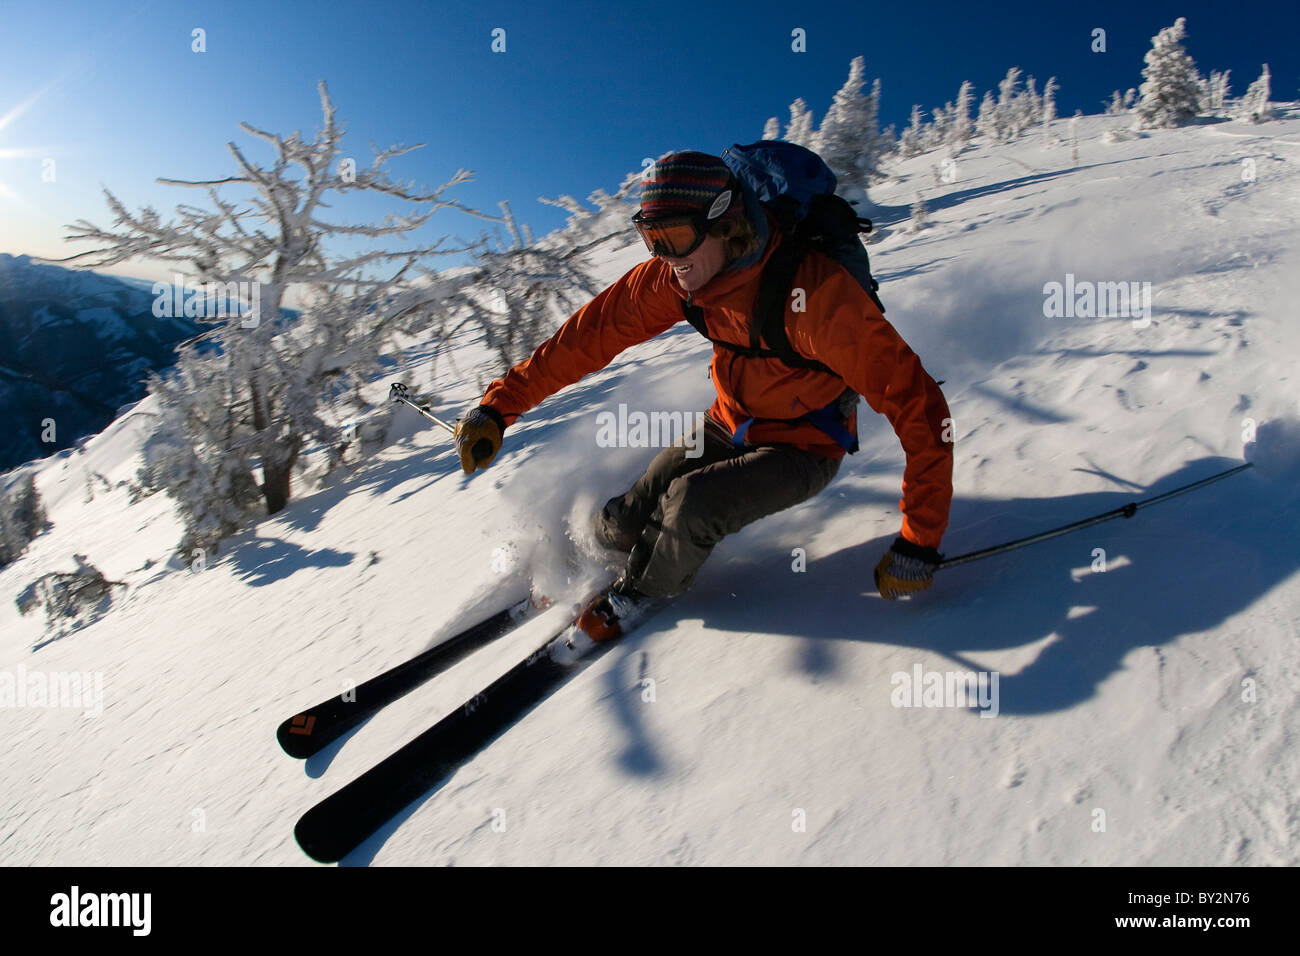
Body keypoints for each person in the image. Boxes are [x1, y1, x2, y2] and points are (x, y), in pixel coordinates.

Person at [454, 150, 953, 646]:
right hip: (728, 423)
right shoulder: (679, 277)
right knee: (630, 512)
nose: (666, 258)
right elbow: (590, 336)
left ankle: (639, 591)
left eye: (674, 238)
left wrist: (920, 542)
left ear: (726, 222)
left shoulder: (814, 297)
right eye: (651, 239)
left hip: (804, 445)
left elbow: (920, 407)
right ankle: (602, 554)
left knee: (691, 504)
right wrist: (499, 406)